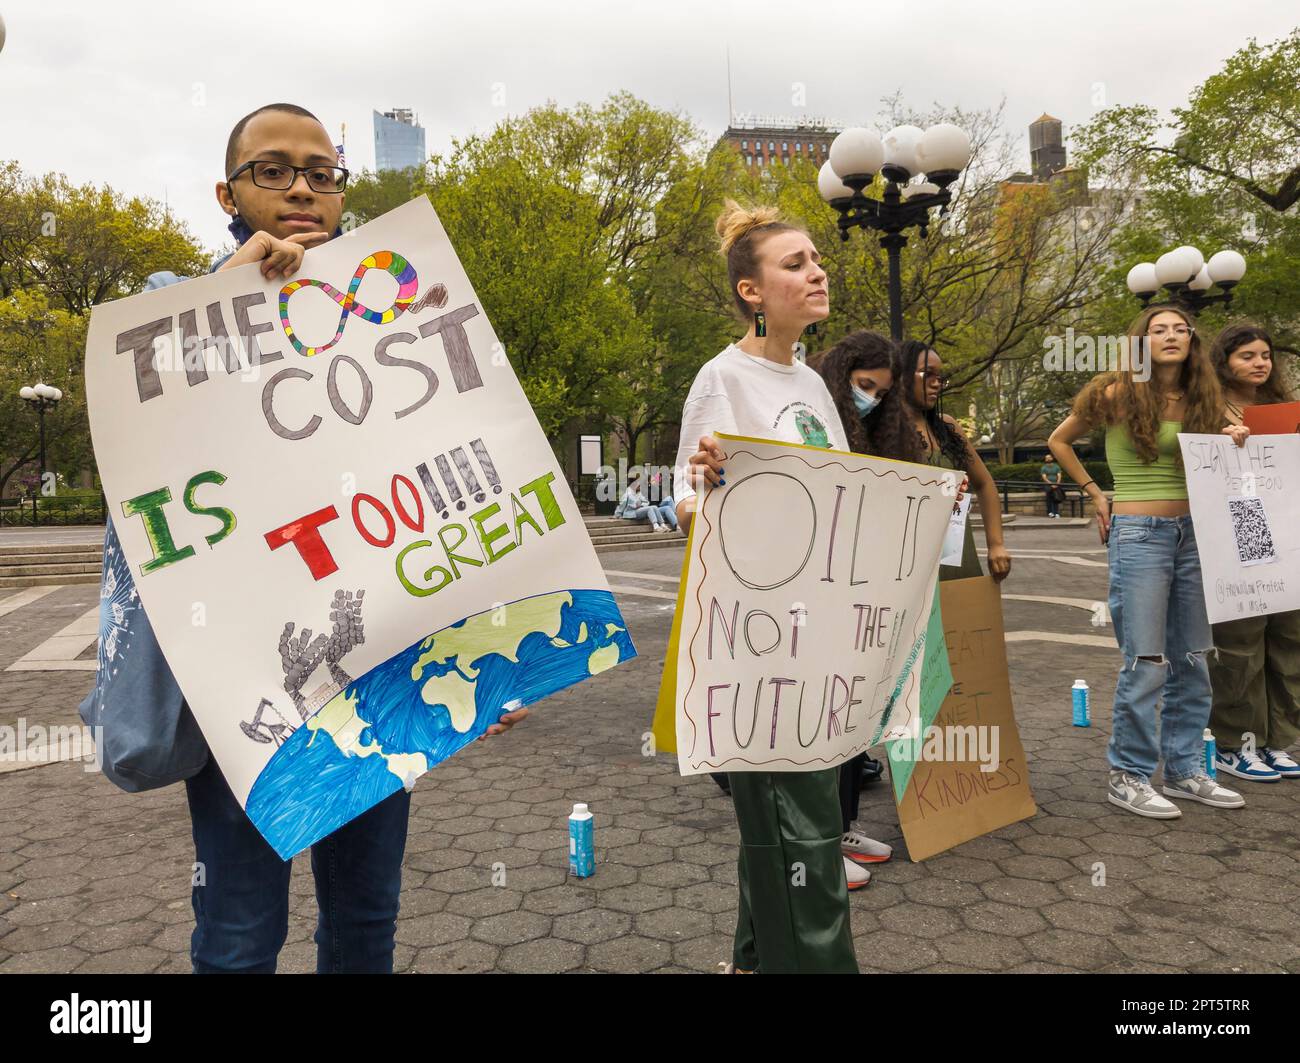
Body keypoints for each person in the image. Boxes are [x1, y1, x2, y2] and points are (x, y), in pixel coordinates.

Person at [93, 103, 529, 974]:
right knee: (239, 935)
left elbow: (439, 490)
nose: (302, 187)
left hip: (376, 681)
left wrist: (483, 656)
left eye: (322, 172)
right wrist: (225, 292)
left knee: (368, 922)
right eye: (274, 169)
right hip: (246, 693)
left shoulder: (387, 314)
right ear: (229, 191)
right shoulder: (167, 308)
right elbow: (141, 425)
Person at [673, 199, 859, 971]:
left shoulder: (811, 383)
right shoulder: (723, 379)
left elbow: (847, 489)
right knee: (805, 826)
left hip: (814, 629)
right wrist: (708, 483)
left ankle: (753, 960)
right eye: (794, 263)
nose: (815, 272)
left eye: (817, 259)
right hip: (758, 639)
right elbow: (689, 501)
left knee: (787, 821)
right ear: (751, 291)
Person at [1047, 305, 1250, 818]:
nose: (1172, 335)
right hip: (1140, 533)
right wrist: (1095, 493)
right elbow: (1059, 441)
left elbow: (1244, 447)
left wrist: (1238, 439)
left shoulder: (1207, 397)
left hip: (1195, 534)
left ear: (1192, 340)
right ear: (1141, 342)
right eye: (1159, 329)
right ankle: (1129, 774)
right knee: (1147, 661)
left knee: (1193, 657)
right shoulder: (1115, 392)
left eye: (1181, 328)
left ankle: (1184, 770)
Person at [816, 329, 926, 877]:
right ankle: (817, 844)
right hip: (820, 588)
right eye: (864, 387)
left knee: (857, 713)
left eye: (882, 393)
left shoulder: (883, 432)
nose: (874, 400)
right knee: (825, 714)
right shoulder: (815, 418)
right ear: (840, 379)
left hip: (867, 588)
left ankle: (842, 826)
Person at [1205, 322, 1300, 781]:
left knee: (1288, 640)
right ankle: (1236, 743)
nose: (1260, 363)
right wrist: (1224, 440)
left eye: (1265, 355)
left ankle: (1278, 742)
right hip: (1240, 527)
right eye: (1248, 356)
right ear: (1224, 362)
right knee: (1240, 644)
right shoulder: (1206, 407)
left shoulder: (1286, 408)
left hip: (1288, 528)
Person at [898, 341, 1011, 582]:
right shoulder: (885, 433)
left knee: (964, 617)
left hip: (955, 556)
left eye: (940, 377)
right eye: (928, 374)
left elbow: (984, 484)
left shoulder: (947, 428)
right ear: (901, 375)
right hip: (905, 565)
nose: (937, 383)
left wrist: (996, 544)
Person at [614, 468, 672, 532]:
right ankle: (655, 526)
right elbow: (622, 504)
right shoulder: (628, 492)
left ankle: (662, 524)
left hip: (639, 510)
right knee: (649, 509)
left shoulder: (639, 492)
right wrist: (617, 514)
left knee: (654, 507)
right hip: (631, 513)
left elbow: (646, 502)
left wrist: (641, 505)